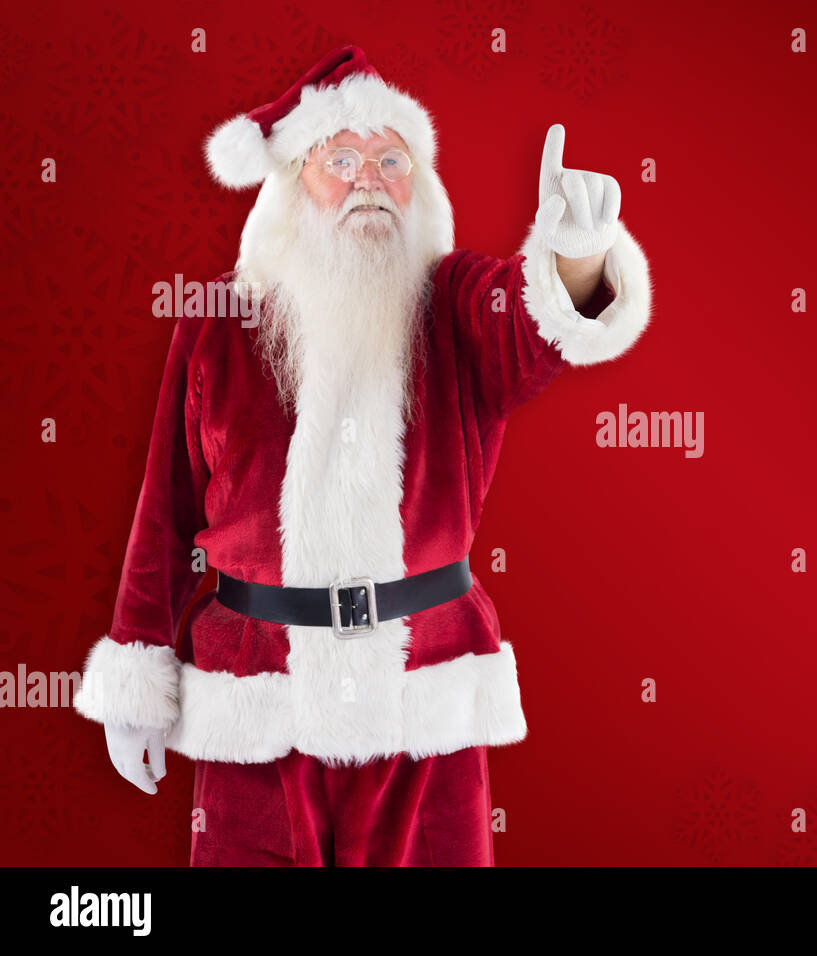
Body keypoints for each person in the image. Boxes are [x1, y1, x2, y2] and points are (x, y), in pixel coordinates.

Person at [71, 44, 652, 866]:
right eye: (340, 158)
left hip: (426, 700)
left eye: (390, 158)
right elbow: (164, 516)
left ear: (418, 183)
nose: (369, 178)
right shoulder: (218, 329)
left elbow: (532, 329)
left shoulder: (456, 308)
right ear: (292, 181)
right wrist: (139, 673)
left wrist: (579, 254)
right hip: (257, 704)